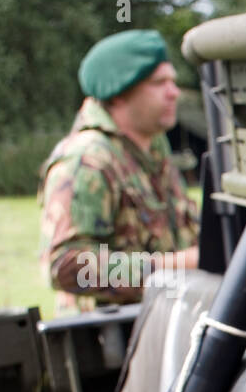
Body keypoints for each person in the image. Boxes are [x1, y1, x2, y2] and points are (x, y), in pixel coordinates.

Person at [39, 30, 200, 312]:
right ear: (118, 95)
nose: (174, 92)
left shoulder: (152, 152)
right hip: (109, 341)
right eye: (158, 83)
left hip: (163, 325)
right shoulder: (87, 162)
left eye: (173, 81)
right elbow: (65, 266)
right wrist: (171, 267)